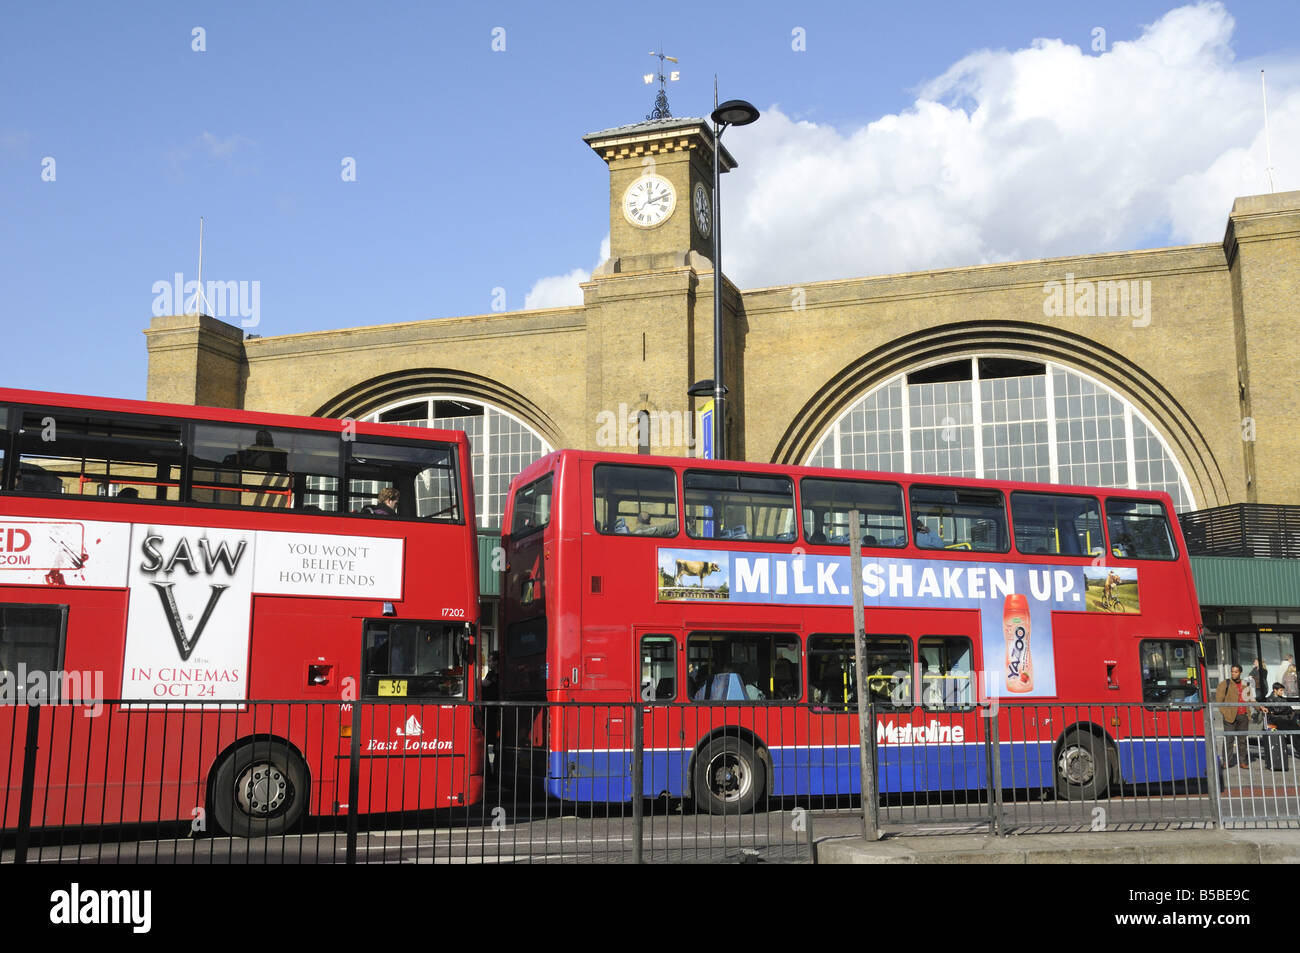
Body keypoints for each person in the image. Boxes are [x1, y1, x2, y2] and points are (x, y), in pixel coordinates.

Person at [1215, 665, 1252, 767]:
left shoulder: (1245, 684)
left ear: (1240, 672)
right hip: (1230, 716)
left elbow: (1250, 699)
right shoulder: (1225, 684)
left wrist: (1260, 707)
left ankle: (1243, 762)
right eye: (1232, 672)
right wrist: (1225, 713)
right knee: (1229, 739)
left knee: (1242, 740)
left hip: (1243, 715)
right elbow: (1219, 700)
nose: (1233, 674)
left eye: (1236, 672)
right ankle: (1226, 761)